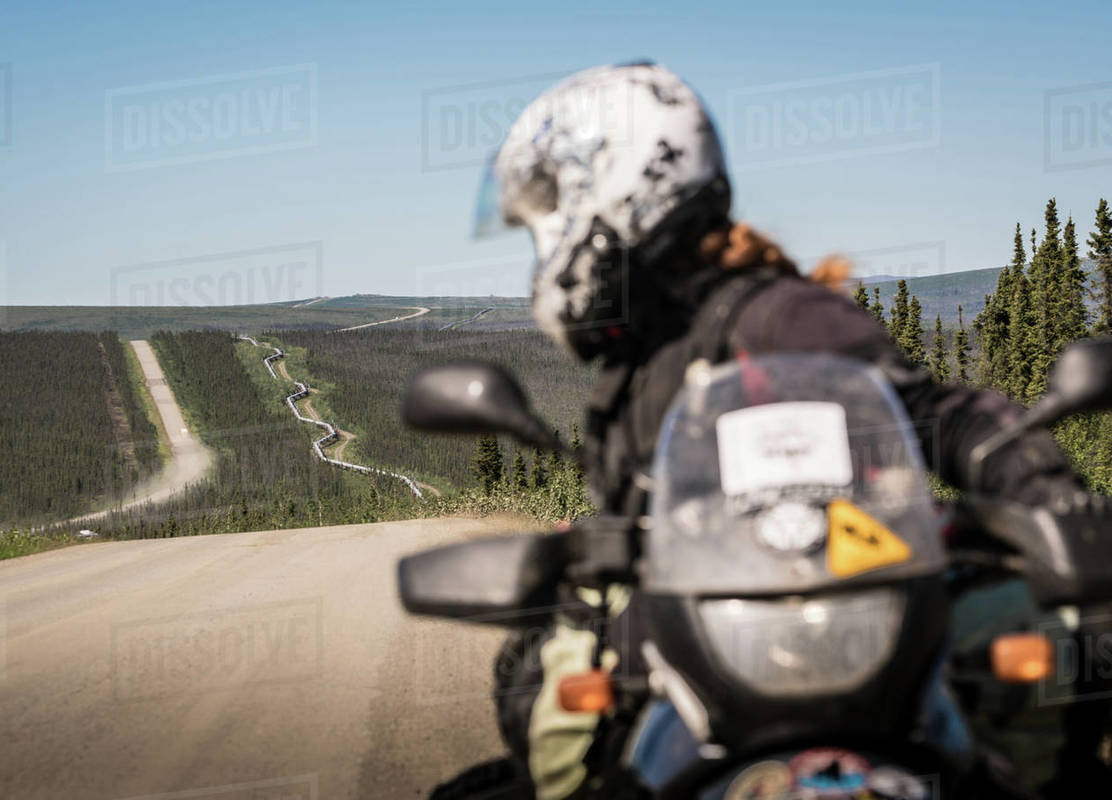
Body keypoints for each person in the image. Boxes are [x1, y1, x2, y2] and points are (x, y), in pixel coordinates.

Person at [471, 62, 1109, 799]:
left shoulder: (778, 316)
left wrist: (1048, 493)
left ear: (626, 182)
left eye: (553, 207)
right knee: (546, 716)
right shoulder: (635, 366)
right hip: (693, 636)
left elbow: (941, 412)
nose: (548, 242)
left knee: (1051, 674)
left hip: (854, 617)